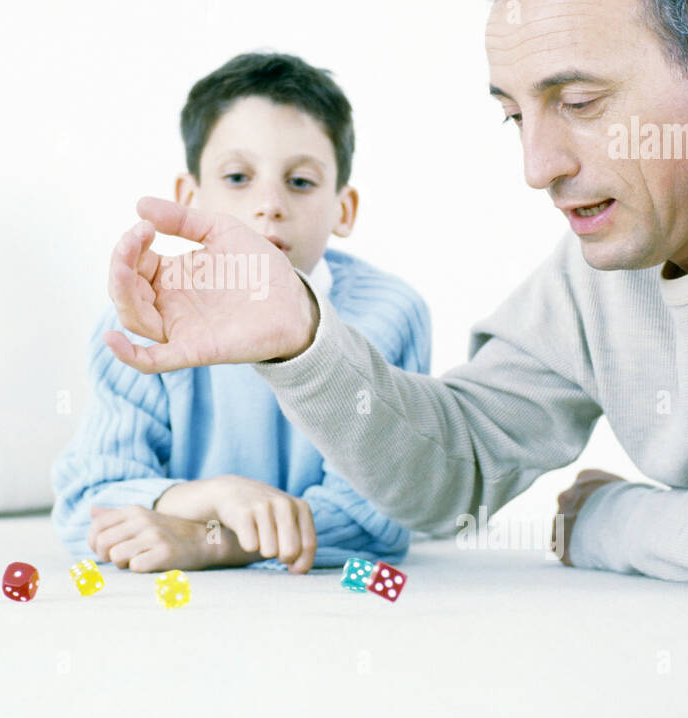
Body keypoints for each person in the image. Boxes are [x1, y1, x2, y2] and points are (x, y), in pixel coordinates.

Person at [103, 0, 688, 594]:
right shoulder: (620, 250)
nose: (539, 167)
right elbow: (454, 468)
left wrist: (605, 521)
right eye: (516, 115)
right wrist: (304, 342)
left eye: (579, 101)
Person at [54, 52, 431, 574]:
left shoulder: (390, 314)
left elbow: (378, 520)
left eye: (300, 182)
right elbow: (86, 508)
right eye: (237, 177)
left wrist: (212, 541)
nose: (269, 203)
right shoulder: (140, 320)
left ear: (344, 210)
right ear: (190, 197)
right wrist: (217, 498)